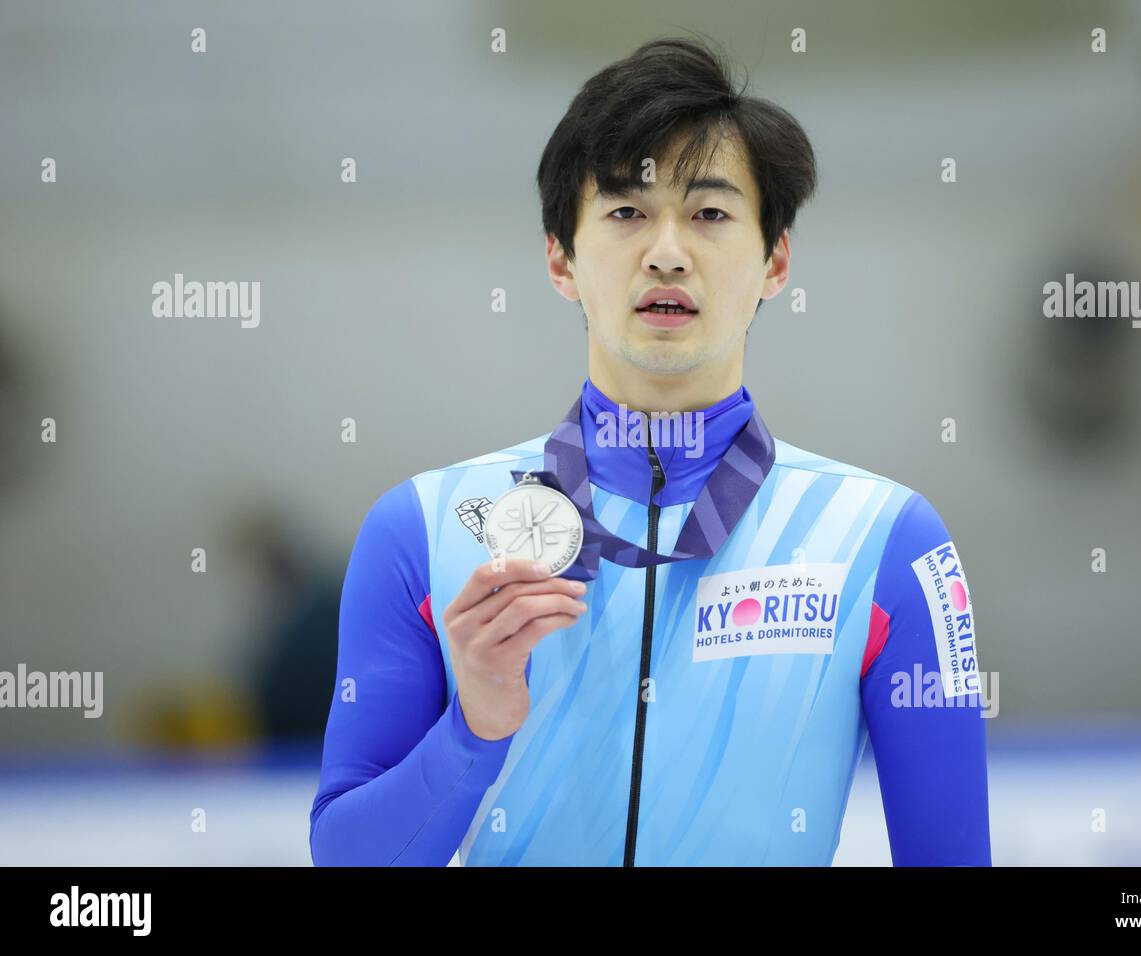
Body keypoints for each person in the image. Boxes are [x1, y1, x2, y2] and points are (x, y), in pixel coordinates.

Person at [310, 36, 990, 867]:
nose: (667, 251)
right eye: (627, 212)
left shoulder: (883, 542)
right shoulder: (423, 531)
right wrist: (472, 728)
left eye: (710, 214)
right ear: (561, 258)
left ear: (775, 260)